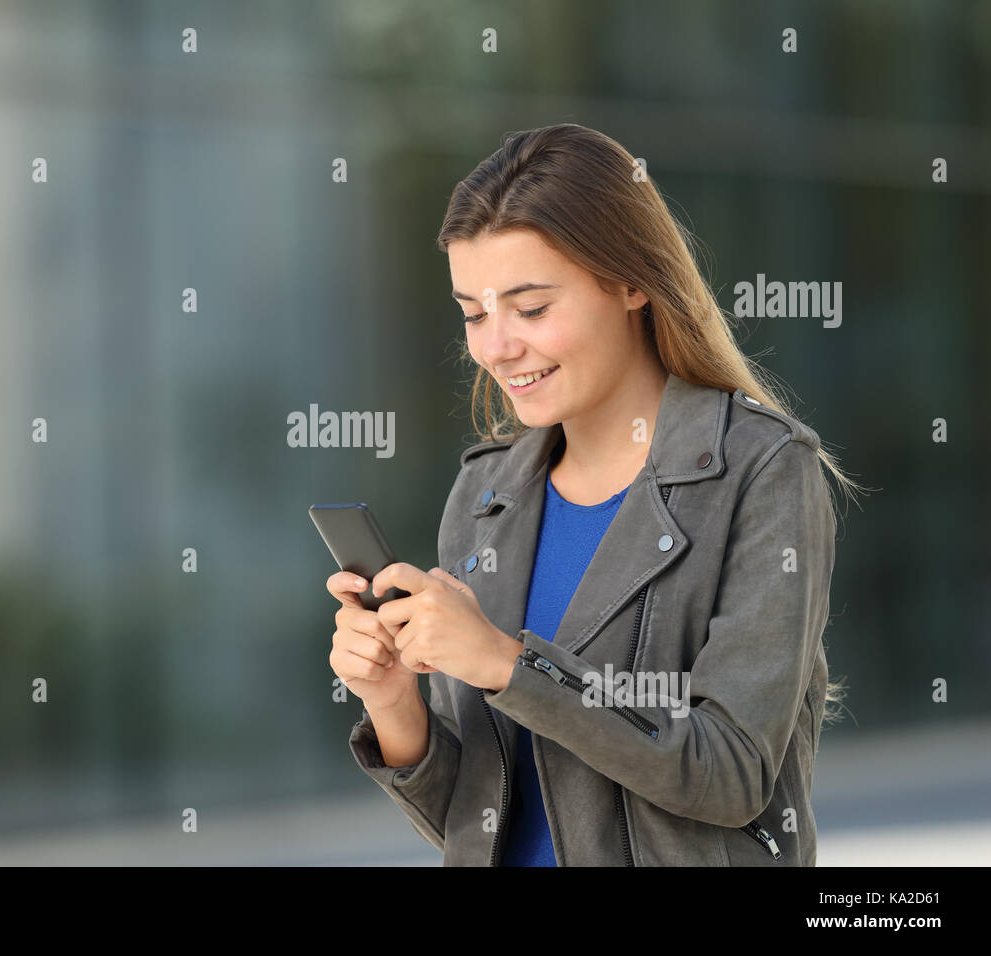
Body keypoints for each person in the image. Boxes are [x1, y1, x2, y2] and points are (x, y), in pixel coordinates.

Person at [325, 123, 859, 866]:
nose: (496, 347)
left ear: (630, 282)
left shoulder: (762, 469)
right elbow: (476, 823)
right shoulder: (487, 493)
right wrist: (392, 704)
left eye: (531, 307)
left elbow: (731, 775)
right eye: (474, 314)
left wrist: (512, 666)